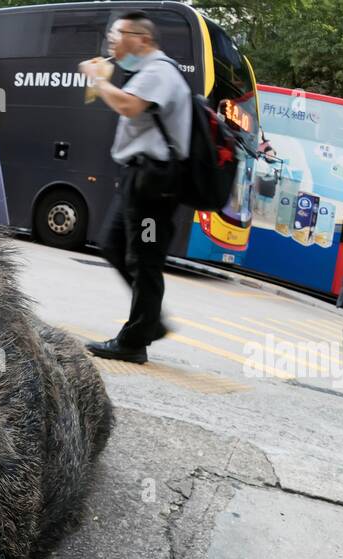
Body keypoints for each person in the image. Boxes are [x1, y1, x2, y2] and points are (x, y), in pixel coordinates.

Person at [78, 12, 192, 364]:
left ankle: (136, 339)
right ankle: (150, 322)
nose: (111, 41)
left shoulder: (160, 71)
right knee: (113, 244)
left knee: (145, 257)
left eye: (117, 34)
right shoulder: (146, 72)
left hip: (155, 186)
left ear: (140, 38)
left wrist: (98, 80)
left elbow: (128, 106)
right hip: (138, 181)